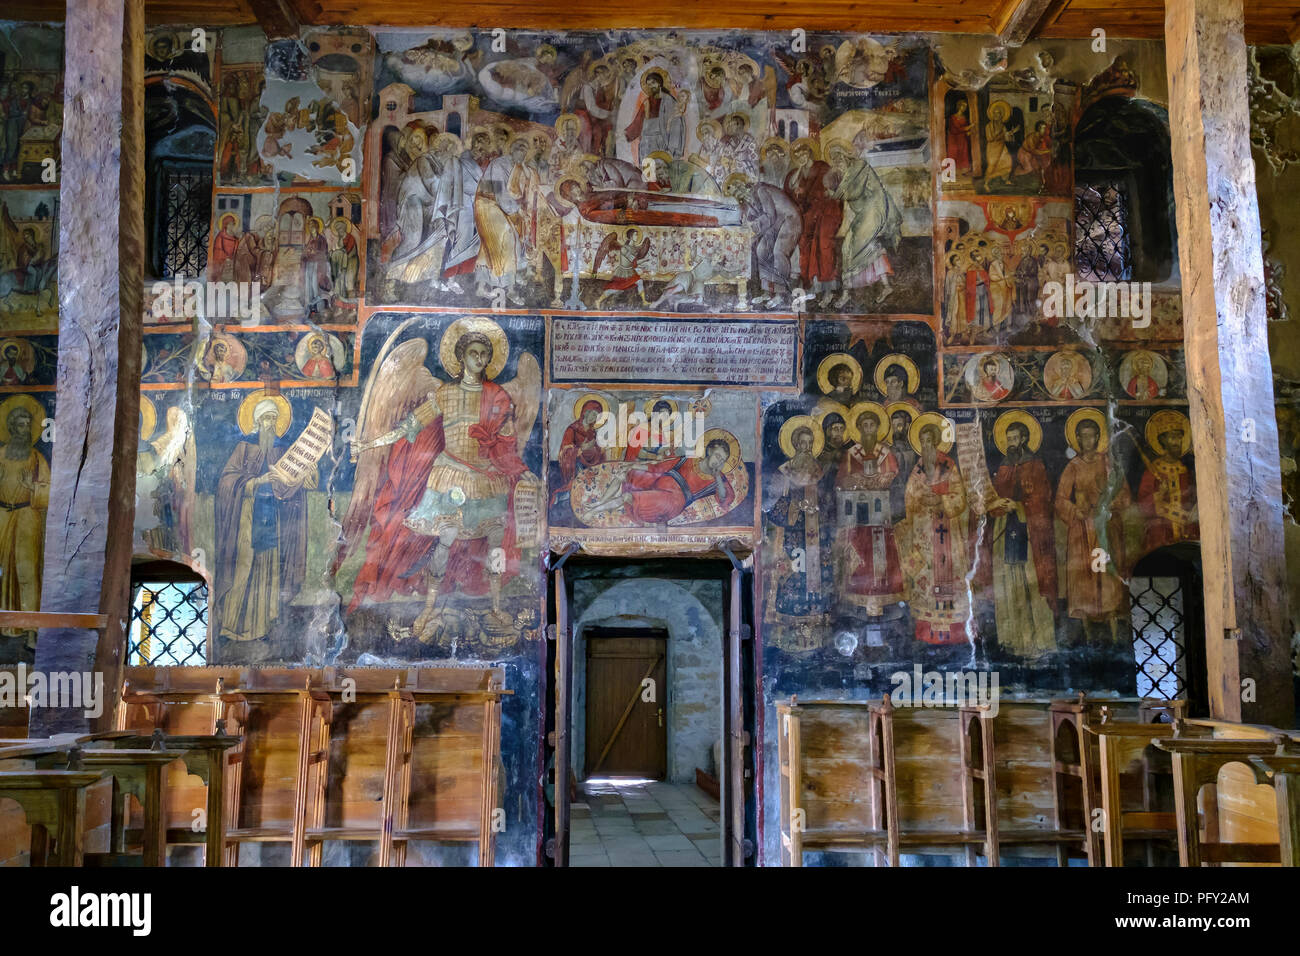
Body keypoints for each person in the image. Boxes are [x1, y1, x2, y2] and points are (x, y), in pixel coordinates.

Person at [348, 330, 531, 642]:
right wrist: (369, 445)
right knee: (444, 539)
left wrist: (521, 471)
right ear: (460, 358)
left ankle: (497, 607)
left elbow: (507, 443)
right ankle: (429, 608)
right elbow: (409, 426)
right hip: (450, 476)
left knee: (495, 544)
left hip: (488, 480)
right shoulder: (445, 394)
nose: (479, 359)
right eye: (473, 353)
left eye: (484, 354)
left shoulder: (499, 396)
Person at [213, 397, 315, 644]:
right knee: (243, 569)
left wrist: (307, 474)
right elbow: (226, 481)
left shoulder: (283, 449)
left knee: (268, 573)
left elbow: (296, 485)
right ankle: (229, 628)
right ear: (258, 420)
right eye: (267, 418)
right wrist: (256, 482)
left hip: (274, 519)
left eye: (274, 418)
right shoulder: (244, 447)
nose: (271, 423)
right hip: (247, 518)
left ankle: (262, 628)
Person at [978, 419, 1057, 658]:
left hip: (1029, 533)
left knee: (1031, 586)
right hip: (1005, 531)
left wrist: (1020, 506)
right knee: (1009, 587)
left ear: (1024, 439)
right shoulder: (1003, 467)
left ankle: (1040, 643)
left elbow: (1043, 498)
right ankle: (1014, 641)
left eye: (1015, 438)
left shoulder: (1036, 465)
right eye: (1008, 439)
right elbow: (992, 496)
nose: (1011, 443)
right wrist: (997, 504)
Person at [1055, 417, 1130, 643]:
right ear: (1078, 439)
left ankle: (1114, 633)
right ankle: (1088, 635)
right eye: (1084, 436)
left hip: (1105, 528)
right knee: (1083, 577)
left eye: (1092, 436)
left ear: (1098, 438)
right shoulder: (1073, 466)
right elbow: (1060, 499)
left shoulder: (1108, 464)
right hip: (1082, 530)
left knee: (1108, 576)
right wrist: (1074, 510)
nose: (1088, 440)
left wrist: (1109, 505)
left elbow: (1124, 495)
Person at [902, 421, 971, 645]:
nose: (926, 446)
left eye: (929, 441)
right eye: (922, 442)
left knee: (950, 574)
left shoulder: (948, 465)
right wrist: (921, 501)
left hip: (947, 533)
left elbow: (960, 497)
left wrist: (941, 500)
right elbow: (910, 499)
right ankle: (926, 633)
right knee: (925, 577)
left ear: (936, 442)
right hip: (924, 535)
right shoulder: (918, 469)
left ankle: (954, 633)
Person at [834, 409, 903, 616]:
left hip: (882, 518)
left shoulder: (886, 454)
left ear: (878, 428)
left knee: (884, 559)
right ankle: (858, 603)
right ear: (859, 429)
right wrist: (855, 481)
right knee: (860, 558)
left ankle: (885, 602)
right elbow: (841, 482)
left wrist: (881, 481)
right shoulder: (851, 454)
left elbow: (894, 479)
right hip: (858, 519)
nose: (868, 430)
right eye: (865, 426)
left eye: (872, 425)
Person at [586, 438, 733, 525]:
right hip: (658, 484)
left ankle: (592, 512)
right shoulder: (688, 460)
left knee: (627, 497)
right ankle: (600, 502)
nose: (718, 461)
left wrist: (717, 476)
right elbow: (658, 468)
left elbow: (725, 498)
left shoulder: (718, 480)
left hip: (672, 501)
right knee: (626, 474)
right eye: (717, 456)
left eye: (722, 460)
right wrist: (632, 466)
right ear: (709, 451)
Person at [826, 141, 899, 309]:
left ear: (845, 155)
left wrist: (833, 194)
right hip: (863, 213)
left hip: (874, 209)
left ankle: (846, 294)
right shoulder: (846, 174)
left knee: (858, 246)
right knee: (850, 247)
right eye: (834, 159)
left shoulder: (859, 166)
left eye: (839, 157)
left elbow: (855, 192)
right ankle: (886, 286)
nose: (837, 162)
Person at [0, 403, 49, 650]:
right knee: (2, 572)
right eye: (20, 426)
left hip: (28, 517)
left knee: (27, 573)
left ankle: (31, 632)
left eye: (28, 426)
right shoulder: (0, 455)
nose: (25, 430)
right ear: (11, 429)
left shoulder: (36, 458)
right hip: (2, 515)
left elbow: (49, 491)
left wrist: (33, 488)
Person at [784, 139, 842, 304]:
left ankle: (828, 289)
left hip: (827, 211)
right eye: (798, 156)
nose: (802, 157)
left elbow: (830, 188)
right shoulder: (798, 174)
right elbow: (790, 192)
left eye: (804, 153)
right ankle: (810, 284)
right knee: (804, 242)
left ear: (810, 153)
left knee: (823, 243)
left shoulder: (821, 167)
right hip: (810, 214)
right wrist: (799, 189)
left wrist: (808, 193)